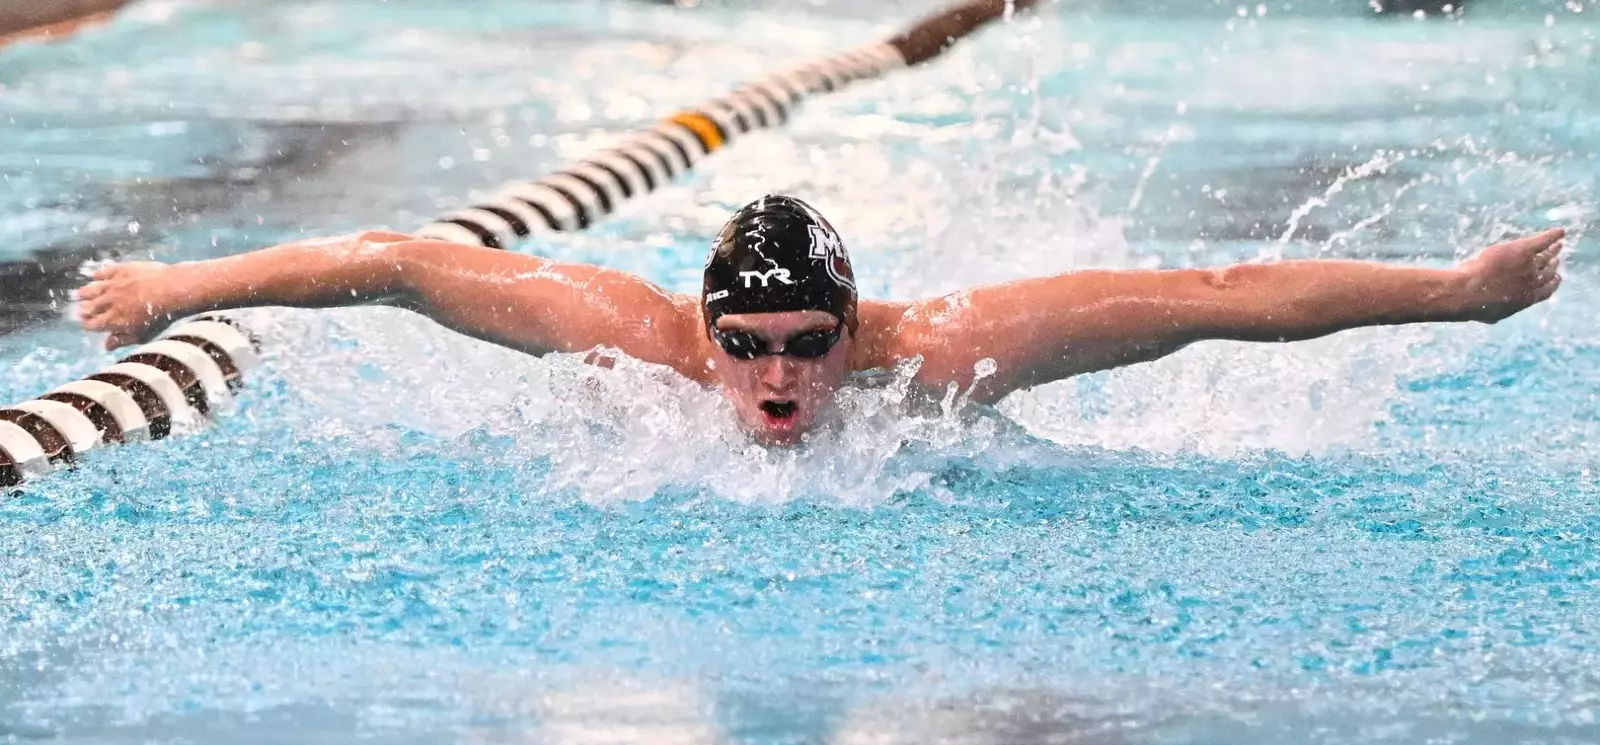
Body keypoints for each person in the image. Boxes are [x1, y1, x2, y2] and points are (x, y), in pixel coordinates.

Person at [75, 194, 1566, 446]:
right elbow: (396, 259)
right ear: (705, 330)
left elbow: (1212, 301)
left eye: (809, 344)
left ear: (859, 329)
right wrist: (172, 293)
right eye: (751, 345)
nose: (780, 377)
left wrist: (1459, 298)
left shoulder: (946, 353)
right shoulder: (629, 338)